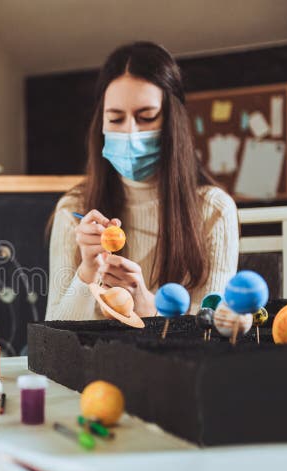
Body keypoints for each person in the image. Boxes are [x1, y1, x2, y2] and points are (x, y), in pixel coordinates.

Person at [46, 42, 239, 321]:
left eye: (146, 117)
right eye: (115, 118)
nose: (130, 133)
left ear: (173, 122)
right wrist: (87, 273)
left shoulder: (213, 210)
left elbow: (211, 332)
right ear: (100, 124)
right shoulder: (74, 210)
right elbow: (53, 337)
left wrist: (148, 307)